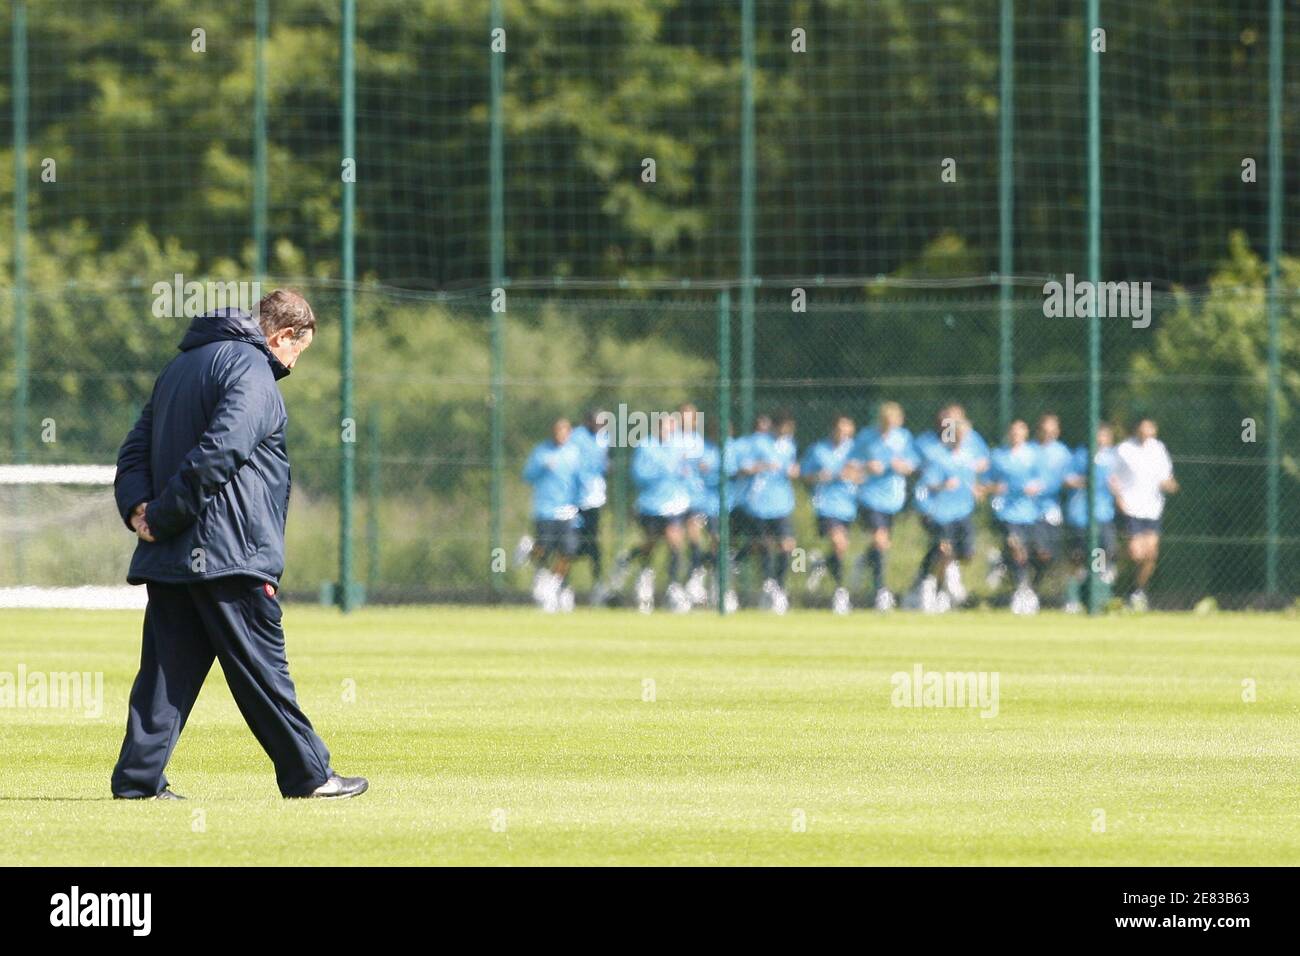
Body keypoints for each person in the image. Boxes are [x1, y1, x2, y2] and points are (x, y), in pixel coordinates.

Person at [111, 291, 367, 800]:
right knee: (262, 670)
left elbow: (135, 447)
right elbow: (222, 449)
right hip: (230, 552)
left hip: (174, 557)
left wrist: (138, 507)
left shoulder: (179, 368)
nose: (293, 364)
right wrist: (162, 516)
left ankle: (138, 781)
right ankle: (309, 776)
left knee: (166, 672)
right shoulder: (252, 369)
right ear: (282, 336)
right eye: (299, 351)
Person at [909, 404, 988, 612]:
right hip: (939, 512)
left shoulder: (968, 456)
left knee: (966, 554)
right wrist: (944, 486)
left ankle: (935, 584)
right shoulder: (939, 455)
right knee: (944, 550)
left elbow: (975, 475)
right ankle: (936, 588)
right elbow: (927, 482)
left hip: (962, 511)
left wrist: (977, 488)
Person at [617, 415, 693, 613]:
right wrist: (662, 471)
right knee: (650, 544)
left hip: (674, 504)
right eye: (663, 427)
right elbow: (638, 475)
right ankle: (637, 569)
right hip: (651, 505)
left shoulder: (679, 447)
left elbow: (686, 472)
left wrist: (685, 473)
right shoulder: (646, 446)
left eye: (670, 427)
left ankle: (674, 586)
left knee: (674, 540)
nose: (666, 431)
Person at [847, 401, 918, 611]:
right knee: (880, 540)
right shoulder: (867, 437)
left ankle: (864, 560)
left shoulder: (904, 438)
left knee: (882, 544)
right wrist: (867, 466)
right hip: (870, 496)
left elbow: (912, 465)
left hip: (894, 498)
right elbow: (851, 462)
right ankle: (881, 590)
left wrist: (901, 466)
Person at [1110, 417, 1178, 611]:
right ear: (1137, 428)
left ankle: (1137, 591)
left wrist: (1169, 484)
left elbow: (1166, 477)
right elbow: (1112, 477)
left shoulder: (1158, 449)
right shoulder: (1124, 449)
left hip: (1153, 509)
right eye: (1145, 427)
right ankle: (1112, 561)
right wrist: (1119, 498)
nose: (1148, 431)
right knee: (1135, 552)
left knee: (1151, 554)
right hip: (1131, 507)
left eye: (1151, 427)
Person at [737, 410, 800, 614]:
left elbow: (792, 468)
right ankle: (767, 583)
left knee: (787, 544)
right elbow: (743, 467)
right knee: (763, 545)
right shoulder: (758, 443)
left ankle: (779, 587)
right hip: (759, 503)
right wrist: (762, 466)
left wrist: (793, 471)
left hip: (782, 502)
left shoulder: (789, 445)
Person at [520, 417, 583, 612]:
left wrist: (579, 503)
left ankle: (554, 585)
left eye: (565, 432)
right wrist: (542, 467)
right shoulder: (541, 452)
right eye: (558, 432)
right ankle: (529, 550)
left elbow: (579, 480)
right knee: (544, 548)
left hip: (566, 509)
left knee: (568, 550)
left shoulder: (574, 453)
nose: (561, 436)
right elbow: (527, 475)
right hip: (545, 509)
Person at [800, 414, 858, 614]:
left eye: (847, 430)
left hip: (849, 507)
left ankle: (820, 563)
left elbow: (864, 474)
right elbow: (804, 474)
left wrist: (853, 475)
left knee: (840, 549)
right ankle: (841, 591)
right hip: (826, 506)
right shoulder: (819, 450)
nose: (843, 434)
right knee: (838, 543)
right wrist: (819, 476)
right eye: (840, 430)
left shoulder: (855, 450)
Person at [986, 420, 1044, 614]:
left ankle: (1001, 562)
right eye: (1012, 432)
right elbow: (986, 484)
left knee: (1037, 554)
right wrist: (996, 488)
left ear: (1025, 434)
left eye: (1019, 432)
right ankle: (1020, 590)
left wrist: (1035, 487)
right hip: (1006, 512)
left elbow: (1042, 481)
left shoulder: (1033, 456)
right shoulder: (998, 456)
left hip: (1029, 513)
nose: (1015, 436)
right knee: (1017, 548)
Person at [1062, 422, 1119, 613]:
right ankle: (1073, 596)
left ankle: (1097, 588)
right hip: (1081, 514)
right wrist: (1081, 481)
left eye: (1104, 435)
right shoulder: (1080, 455)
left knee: (1104, 550)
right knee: (1078, 556)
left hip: (1102, 514)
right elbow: (1067, 479)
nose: (1100, 439)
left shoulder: (1113, 457)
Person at [568, 409, 611, 602]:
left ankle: (597, 585)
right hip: (574, 499)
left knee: (591, 542)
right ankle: (561, 584)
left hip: (594, 499)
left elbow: (601, 462)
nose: (599, 426)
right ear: (588, 420)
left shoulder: (604, 437)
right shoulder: (576, 437)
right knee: (568, 543)